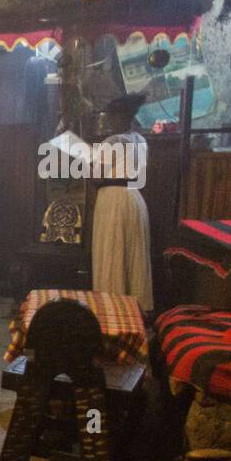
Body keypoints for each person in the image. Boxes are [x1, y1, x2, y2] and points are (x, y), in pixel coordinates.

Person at [91, 92, 153, 311]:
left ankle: (112, 306)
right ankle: (137, 307)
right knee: (132, 254)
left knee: (112, 250)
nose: (109, 121)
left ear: (122, 117)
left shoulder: (113, 141)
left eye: (112, 117)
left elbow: (96, 176)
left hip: (114, 199)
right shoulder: (140, 140)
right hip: (135, 198)